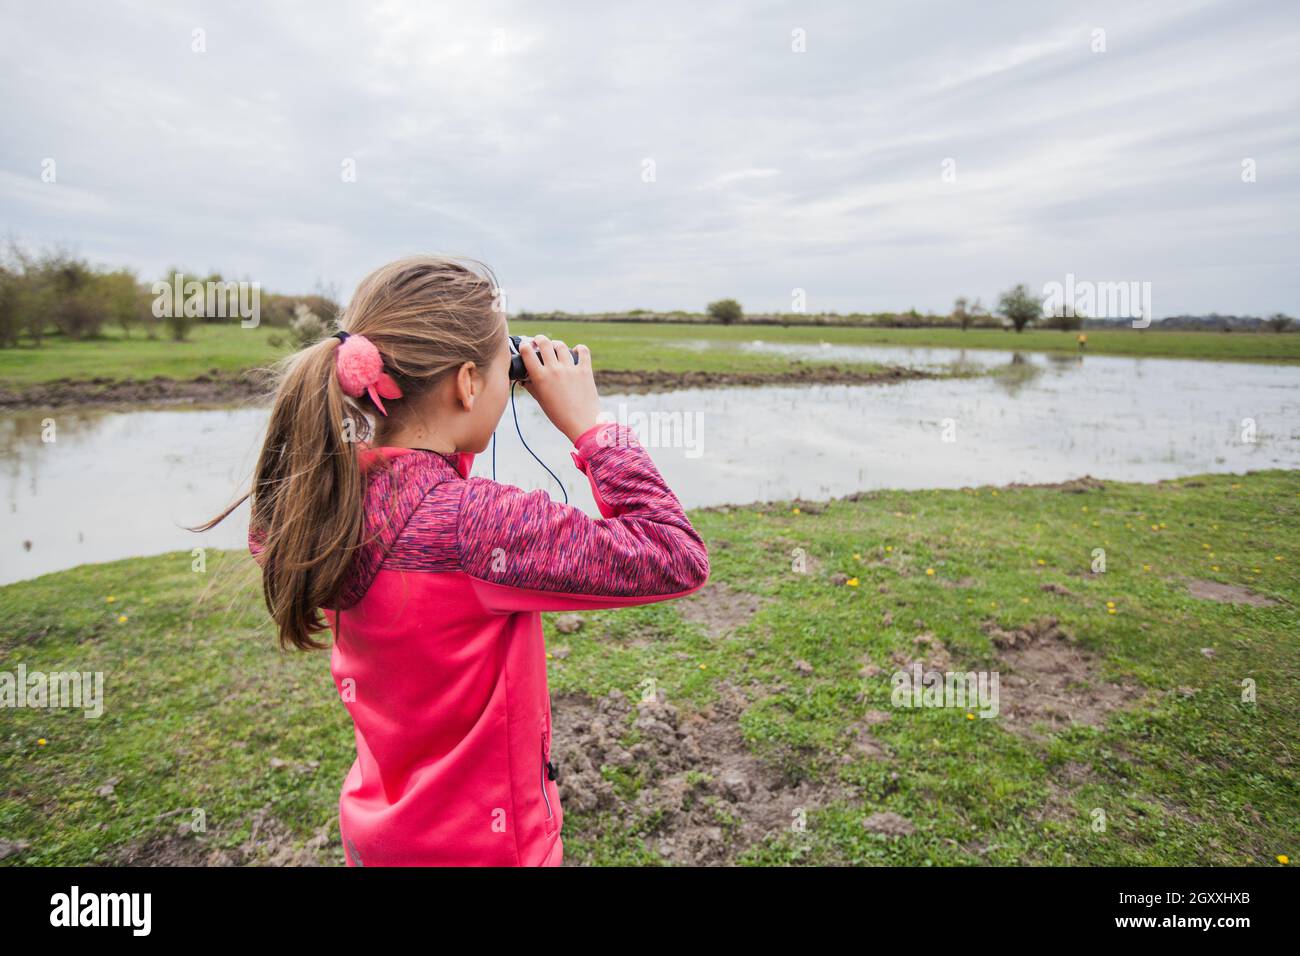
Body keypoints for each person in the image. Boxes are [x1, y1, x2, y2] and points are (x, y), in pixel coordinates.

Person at [203, 256, 709, 865]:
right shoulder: (475, 526)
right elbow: (675, 554)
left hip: (378, 835)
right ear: (467, 384)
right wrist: (592, 428)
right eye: (504, 372)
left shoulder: (326, 502)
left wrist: (452, 434)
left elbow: (415, 490)